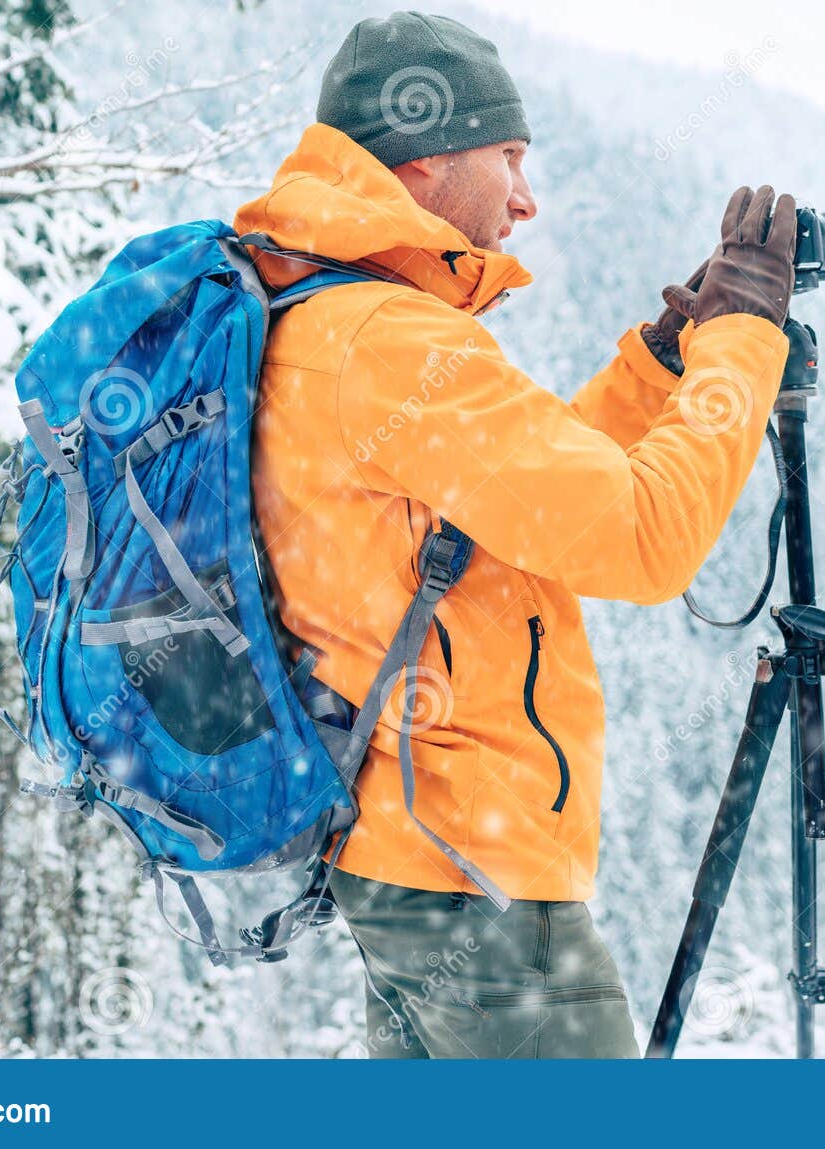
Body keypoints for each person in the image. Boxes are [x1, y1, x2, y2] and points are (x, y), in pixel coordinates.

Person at [233, 10, 795, 1058]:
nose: (526, 199)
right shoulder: (387, 343)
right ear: (424, 159)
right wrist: (744, 344)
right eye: (509, 158)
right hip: (469, 870)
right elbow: (643, 539)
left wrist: (661, 364)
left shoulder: (316, 311)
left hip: (402, 852)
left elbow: (505, 515)